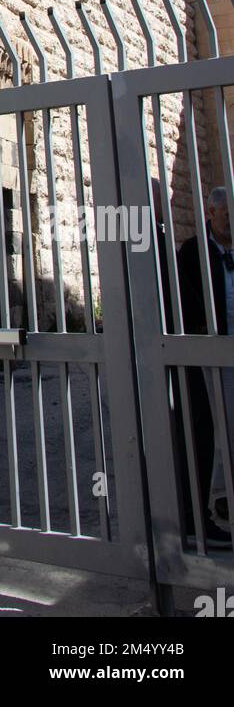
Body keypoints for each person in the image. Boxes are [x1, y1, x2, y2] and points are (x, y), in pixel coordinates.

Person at [177, 186, 234, 547]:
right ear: (211, 214)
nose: (231, 221)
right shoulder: (194, 250)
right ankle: (208, 506)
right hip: (211, 351)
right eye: (227, 214)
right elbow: (187, 297)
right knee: (213, 430)